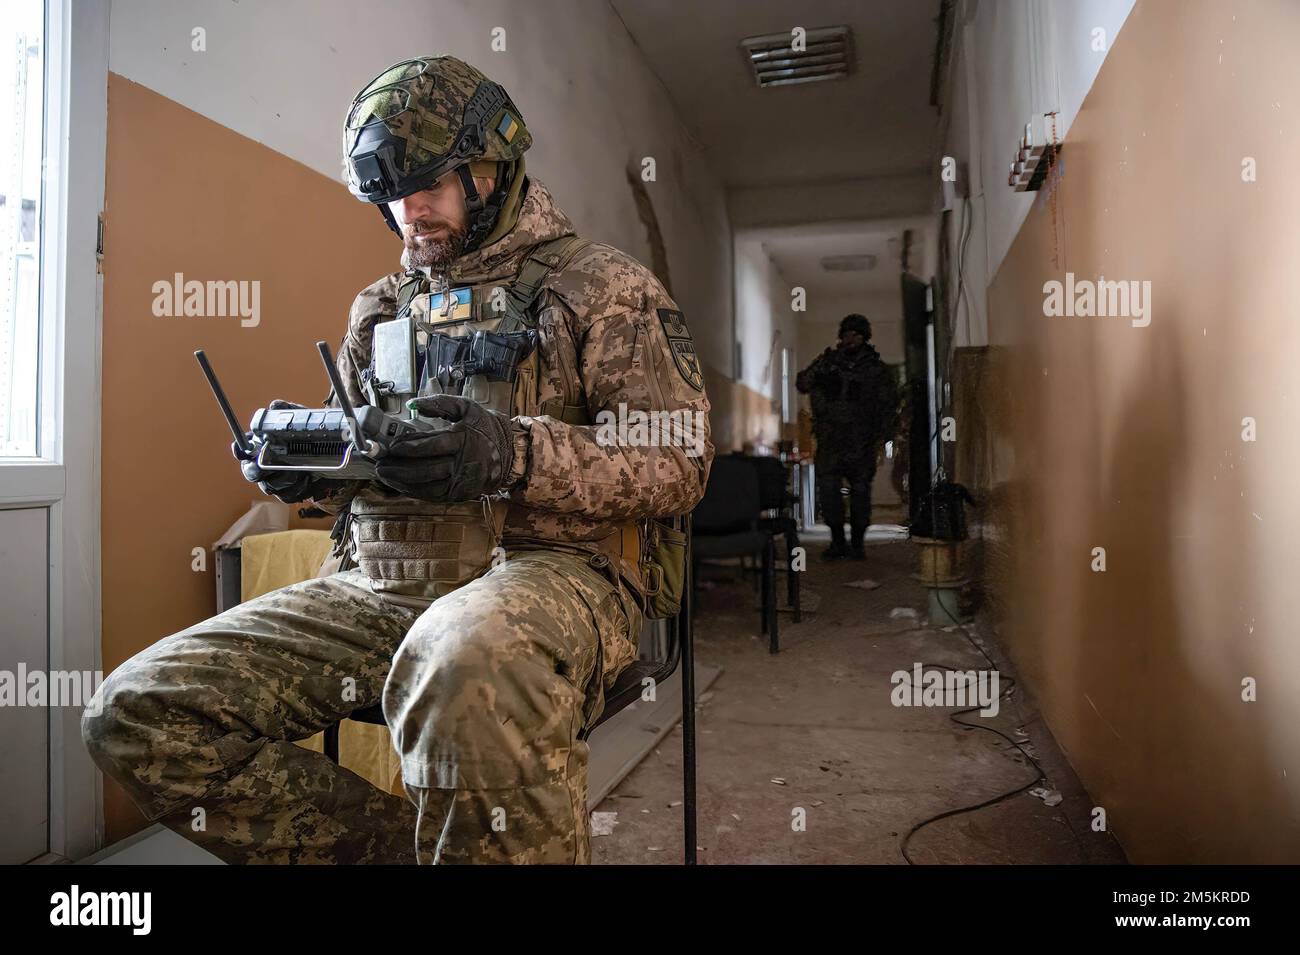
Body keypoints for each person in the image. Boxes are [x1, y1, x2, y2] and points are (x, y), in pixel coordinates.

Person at [82, 55, 713, 865]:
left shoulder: (603, 287)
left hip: (555, 576)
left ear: (495, 169)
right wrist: (309, 469)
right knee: (135, 710)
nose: (407, 210)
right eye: (387, 191)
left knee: (465, 663)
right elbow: (363, 458)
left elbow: (679, 463)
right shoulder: (380, 309)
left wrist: (513, 451)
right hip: (385, 584)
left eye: (430, 184)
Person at [795, 313, 898, 560]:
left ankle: (858, 543)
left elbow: (888, 405)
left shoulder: (876, 369)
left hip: (861, 442)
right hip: (831, 441)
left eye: (857, 334)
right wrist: (820, 368)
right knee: (829, 492)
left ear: (865, 337)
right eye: (847, 334)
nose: (851, 339)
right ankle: (838, 541)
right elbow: (802, 384)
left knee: (861, 493)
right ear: (841, 336)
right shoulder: (828, 362)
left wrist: (884, 439)